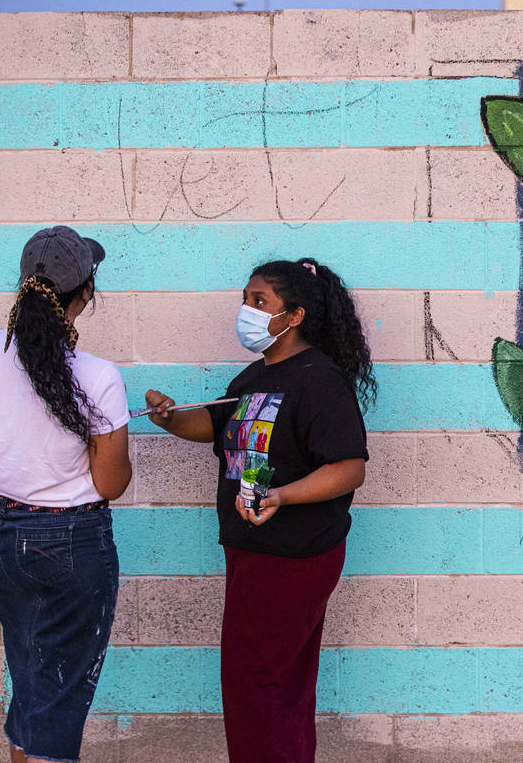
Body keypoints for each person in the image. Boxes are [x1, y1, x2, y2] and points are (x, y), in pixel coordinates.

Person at [143, 258, 373, 763]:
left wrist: (281, 496)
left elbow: (348, 468)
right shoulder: (254, 377)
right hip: (251, 550)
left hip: (292, 556)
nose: (246, 310)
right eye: (245, 300)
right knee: (272, 687)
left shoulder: (319, 380)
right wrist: (171, 418)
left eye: (259, 301)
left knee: (258, 687)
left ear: (294, 315)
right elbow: (217, 427)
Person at [0, 226, 132, 763]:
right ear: (86, 293)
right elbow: (110, 483)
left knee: (31, 675)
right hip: (68, 542)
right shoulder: (98, 376)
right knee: (58, 693)